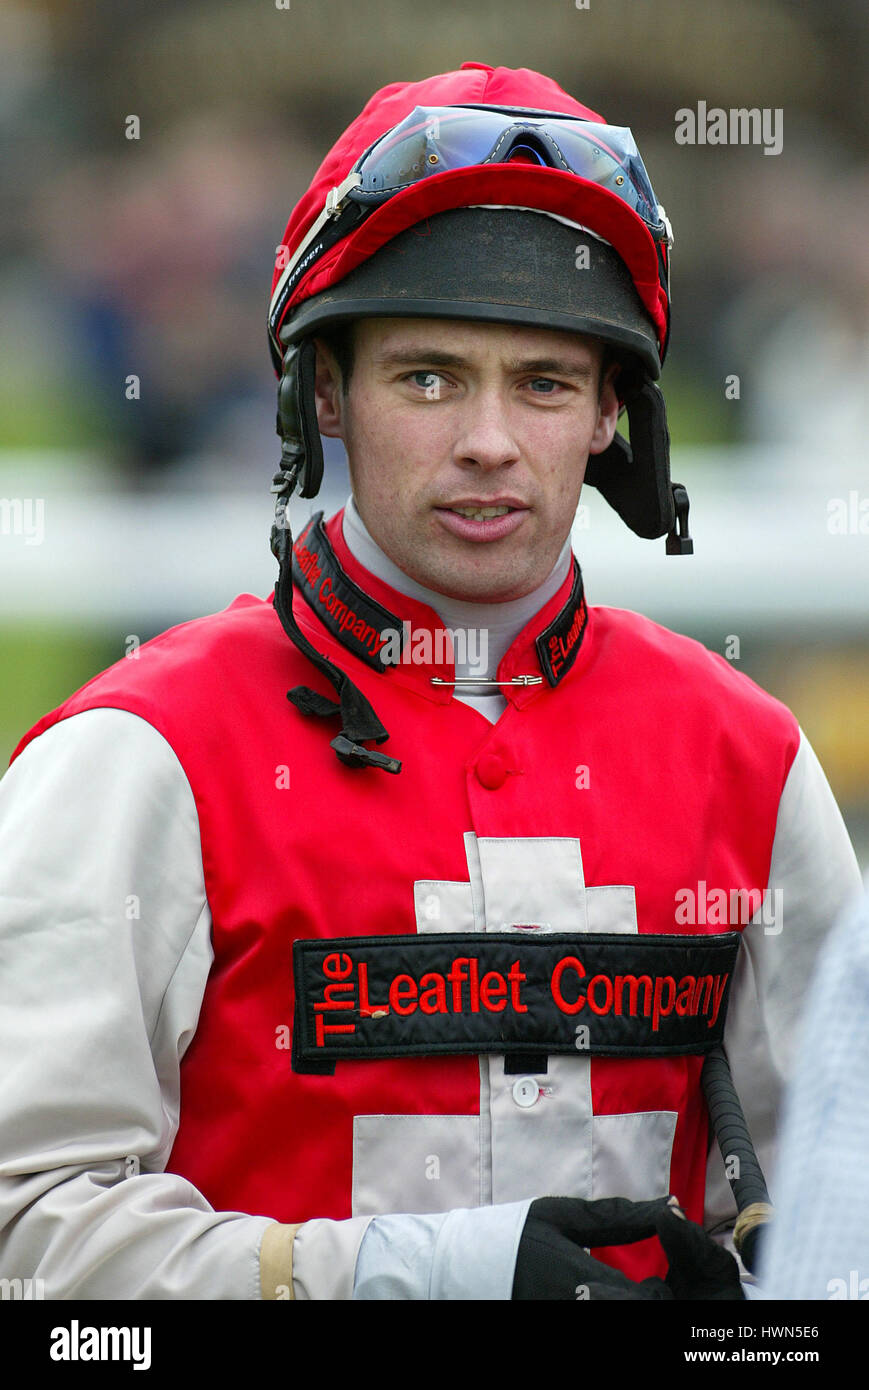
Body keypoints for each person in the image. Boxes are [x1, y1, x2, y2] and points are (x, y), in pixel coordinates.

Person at [0, 62, 861, 1302]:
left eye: (545, 383)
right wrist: (407, 1275)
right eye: (428, 376)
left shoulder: (749, 758)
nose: (488, 440)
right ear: (327, 396)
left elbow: (840, 1221)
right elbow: (25, 1243)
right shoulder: (137, 755)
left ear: (612, 415)